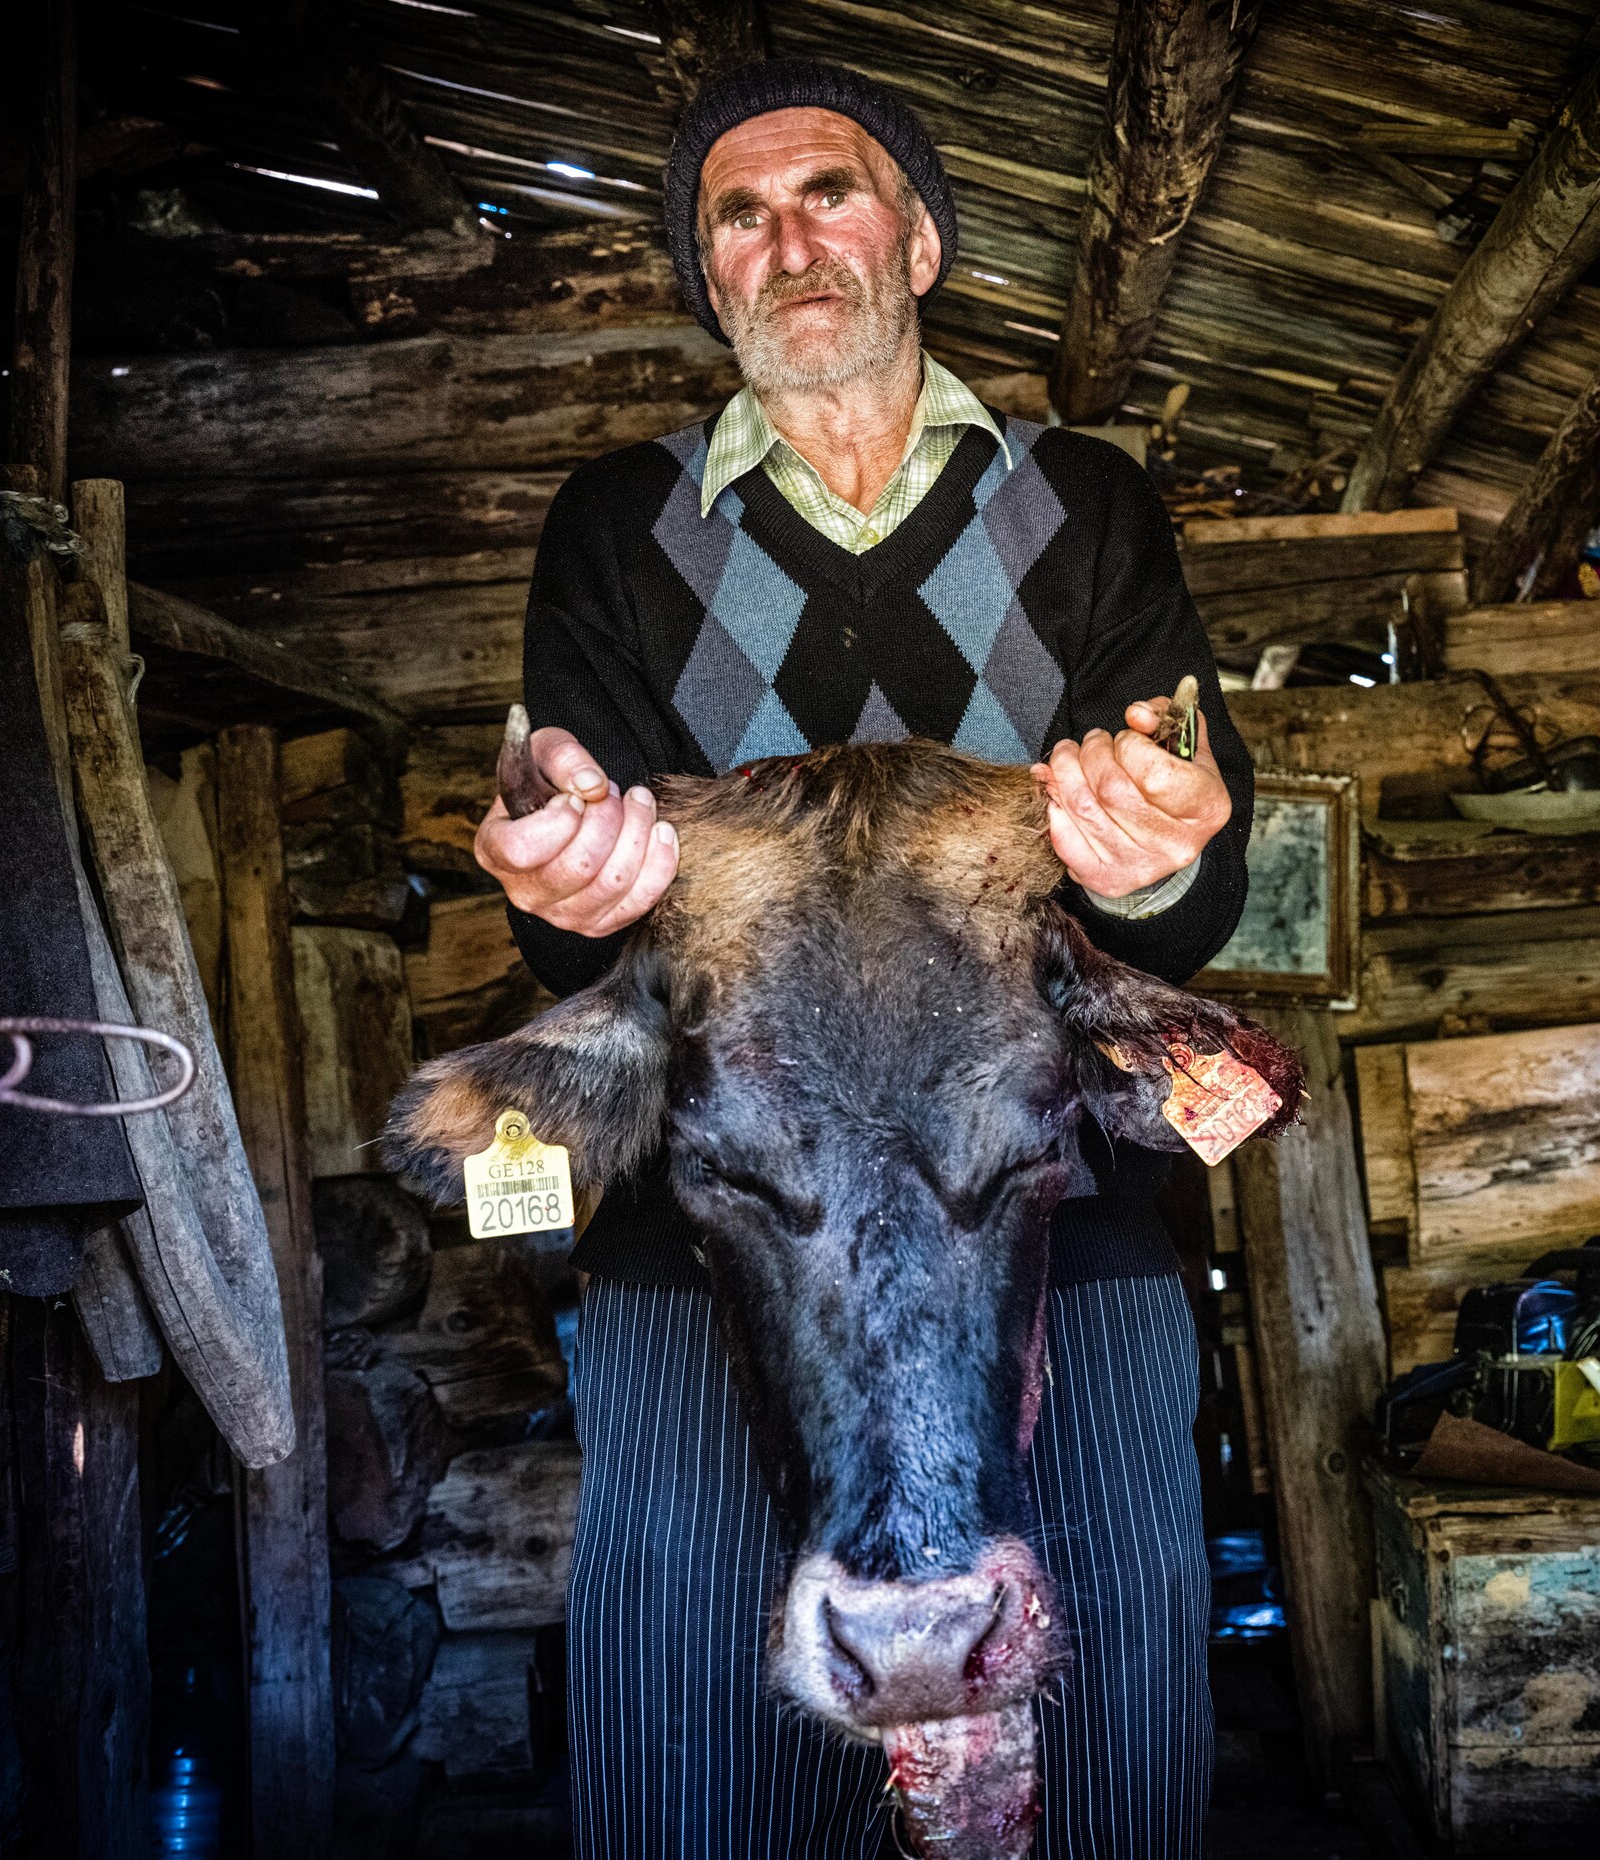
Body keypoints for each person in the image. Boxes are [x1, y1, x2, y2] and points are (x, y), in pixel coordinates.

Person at [471, 59, 1252, 1860]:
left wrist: (1155, 851)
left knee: (1119, 1715)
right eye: (736, 216)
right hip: (712, 1220)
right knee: (686, 1751)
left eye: (828, 191)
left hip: (1065, 1213)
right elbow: (555, 899)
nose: (786, 239)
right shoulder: (617, 525)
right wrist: (563, 870)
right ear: (711, 276)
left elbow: (1191, 908)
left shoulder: (1088, 507)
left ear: (921, 239)